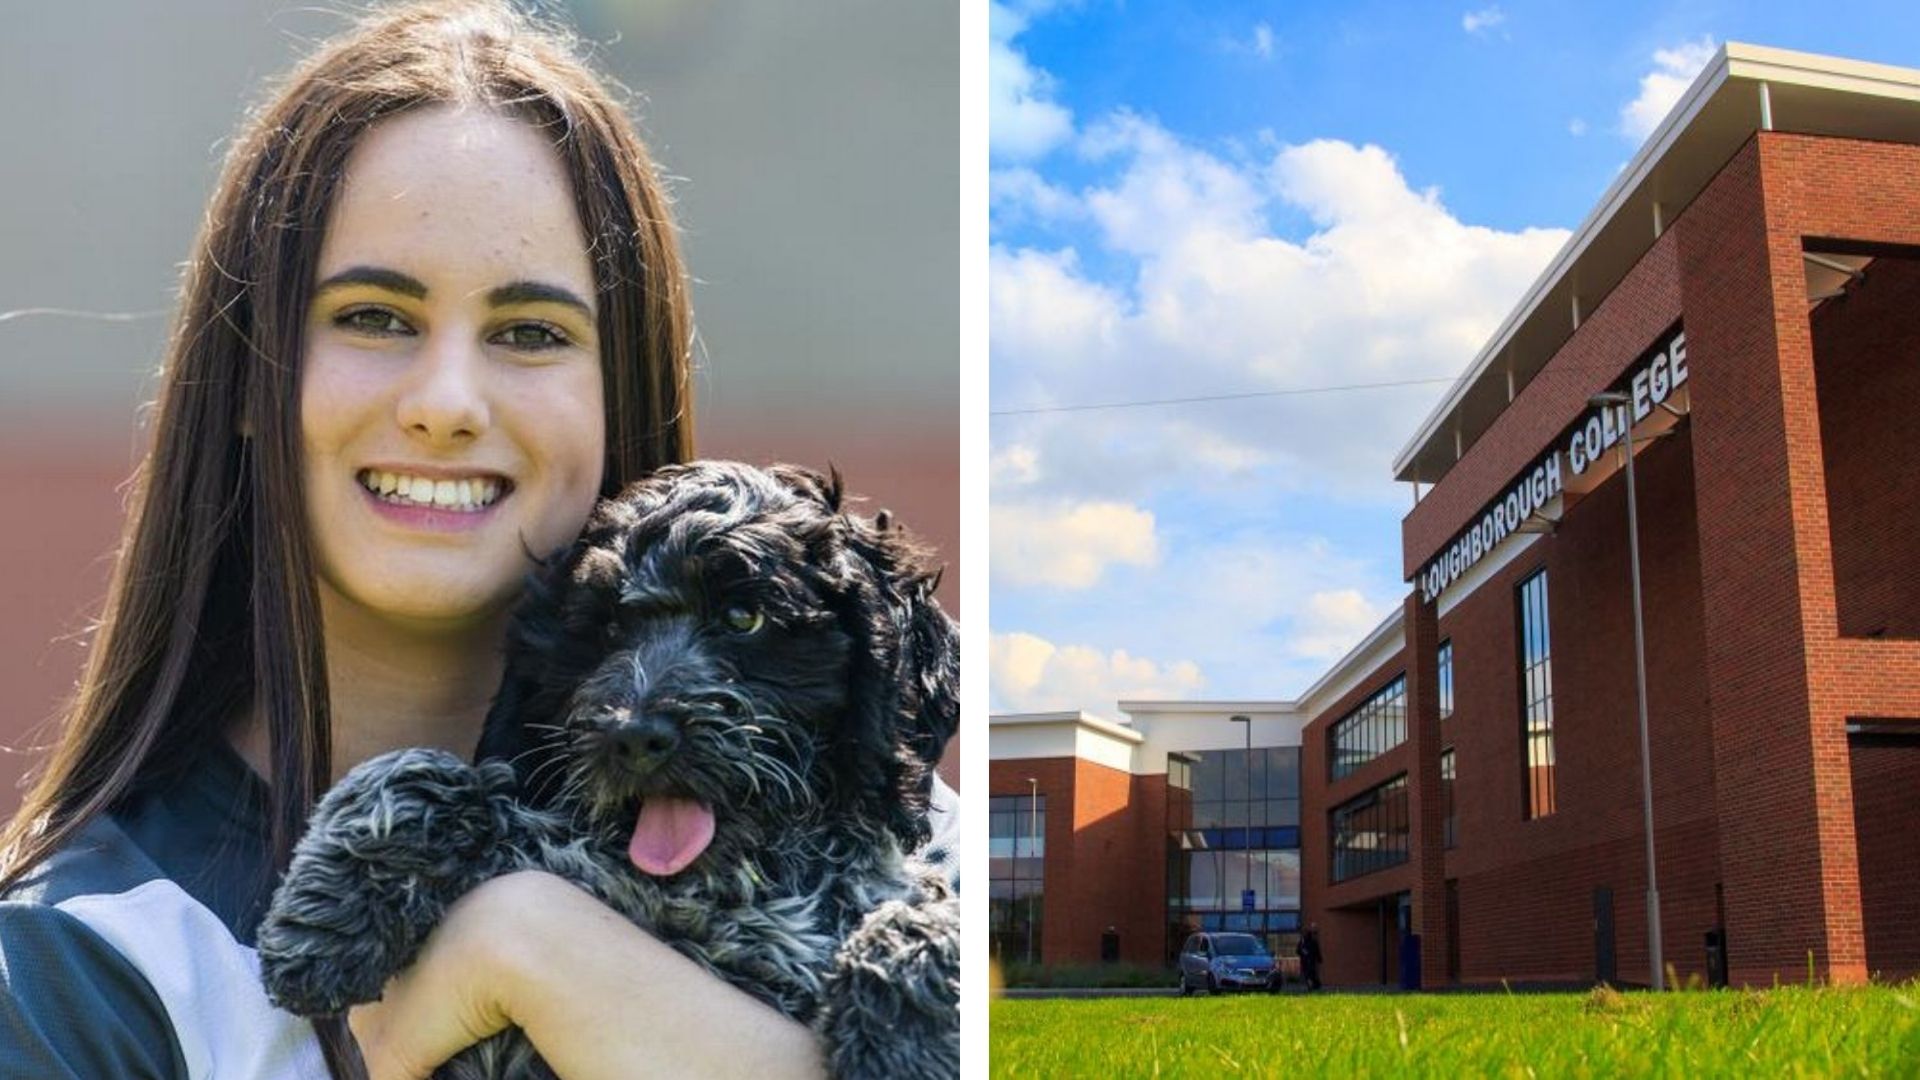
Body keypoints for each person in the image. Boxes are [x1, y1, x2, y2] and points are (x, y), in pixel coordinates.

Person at [0, 3, 951, 1077]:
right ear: (249, 383)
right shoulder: (77, 965)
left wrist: (541, 955)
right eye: (373, 317)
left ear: (618, 391)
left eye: (530, 333)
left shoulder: (918, 865)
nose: (446, 402)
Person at [1299, 923, 1324, 992]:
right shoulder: (1312, 942)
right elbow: (1317, 951)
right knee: (1311, 974)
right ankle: (1313, 985)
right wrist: (1319, 959)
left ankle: (1311, 985)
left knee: (1308, 975)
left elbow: (1298, 951)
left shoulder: (1303, 942)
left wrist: (1303, 953)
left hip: (1305, 961)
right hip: (1310, 961)